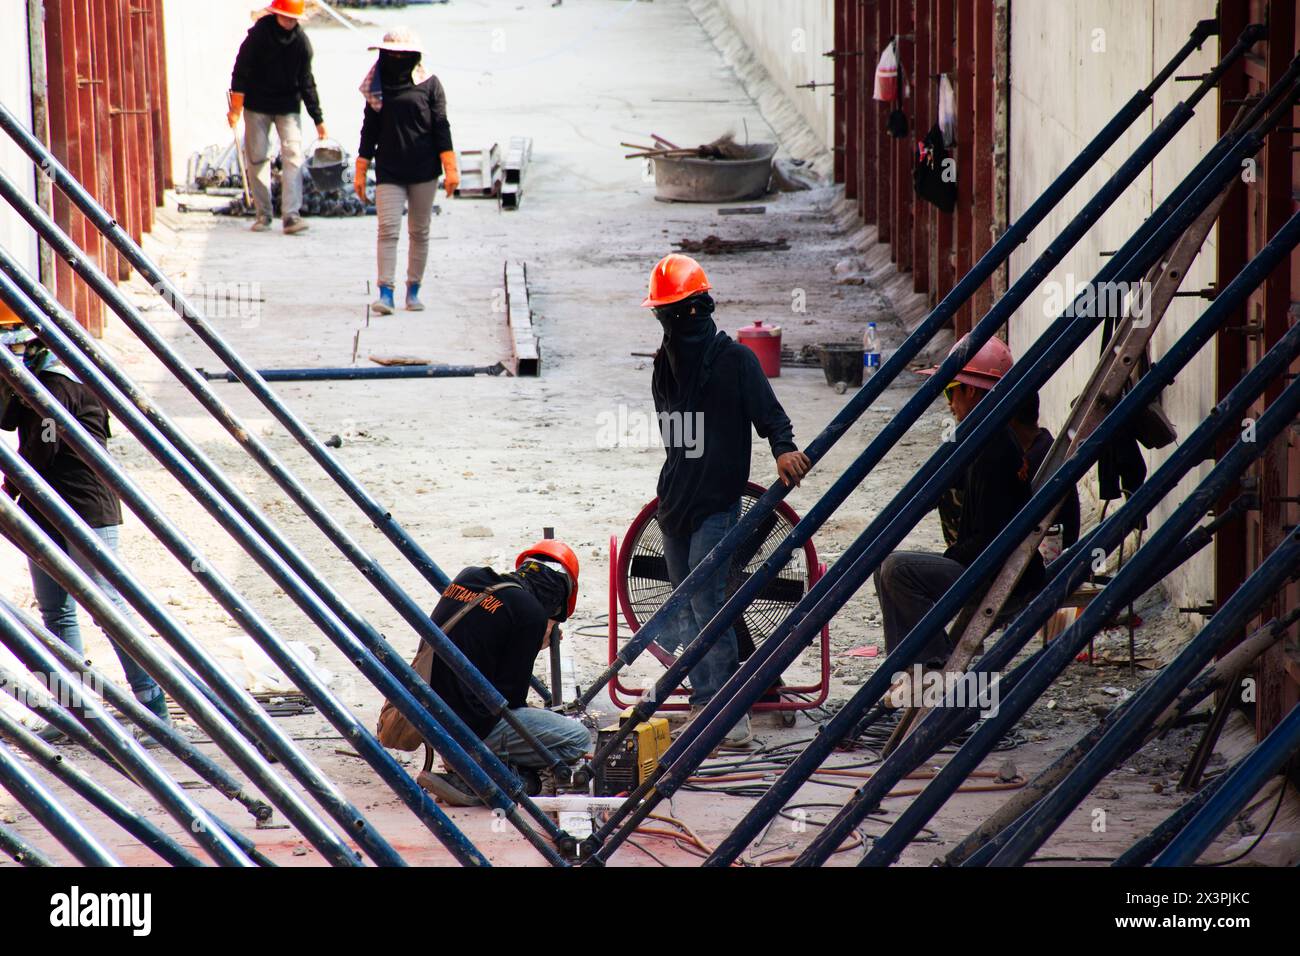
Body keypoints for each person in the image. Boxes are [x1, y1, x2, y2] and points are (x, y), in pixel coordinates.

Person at [642, 254, 811, 750]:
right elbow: (674, 439)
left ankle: (722, 712)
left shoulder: (737, 360)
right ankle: (704, 699)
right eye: (662, 316)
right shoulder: (663, 366)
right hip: (673, 501)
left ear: (696, 309)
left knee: (708, 602)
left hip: (717, 502)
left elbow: (769, 413)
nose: (667, 325)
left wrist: (784, 449)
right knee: (686, 605)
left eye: (671, 313)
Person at [0, 306, 170, 742]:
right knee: (57, 612)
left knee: (107, 608)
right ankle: (74, 711)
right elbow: (6, 420)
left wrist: (7, 491)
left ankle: (153, 707)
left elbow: (42, 448)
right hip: (47, 511)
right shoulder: (41, 381)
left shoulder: (58, 386)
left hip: (85, 511)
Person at [874, 335, 1043, 671]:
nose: (948, 402)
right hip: (987, 564)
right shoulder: (980, 439)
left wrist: (950, 558)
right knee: (884, 566)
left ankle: (936, 667)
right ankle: (910, 667)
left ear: (971, 391)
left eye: (951, 390)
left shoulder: (993, 449)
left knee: (898, 570)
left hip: (999, 572)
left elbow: (992, 538)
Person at [394, 540, 590, 807]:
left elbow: (478, 639)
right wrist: (531, 644)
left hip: (425, 711)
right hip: (469, 727)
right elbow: (509, 704)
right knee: (577, 739)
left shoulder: (470, 577)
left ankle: (471, 763)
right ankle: (489, 777)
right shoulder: (530, 613)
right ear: (556, 601)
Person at [353, 28, 459, 315]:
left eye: (403, 54)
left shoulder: (430, 84)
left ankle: (413, 291)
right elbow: (369, 129)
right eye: (392, 54)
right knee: (387, 229)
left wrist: (450, 168)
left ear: (414, 56)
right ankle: (385, 293)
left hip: (425, 170)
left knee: (419, 231)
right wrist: (361, 167)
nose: (397, 58)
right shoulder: (375, 86)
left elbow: (441, 126)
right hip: (389, 168)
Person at [227, 0, 326, 234]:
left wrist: (318, 119)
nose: (289, 22)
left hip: (288, 107)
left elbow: (307, 82)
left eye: (293, 19)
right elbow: (240, 70)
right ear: (275, 14)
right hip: (256, 106)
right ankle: (264, 215)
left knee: (293, 157)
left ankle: (291, 216)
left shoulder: (301, 43)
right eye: (285, 17)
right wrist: (236, 107)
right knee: (258, 158)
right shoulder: (258, 35)